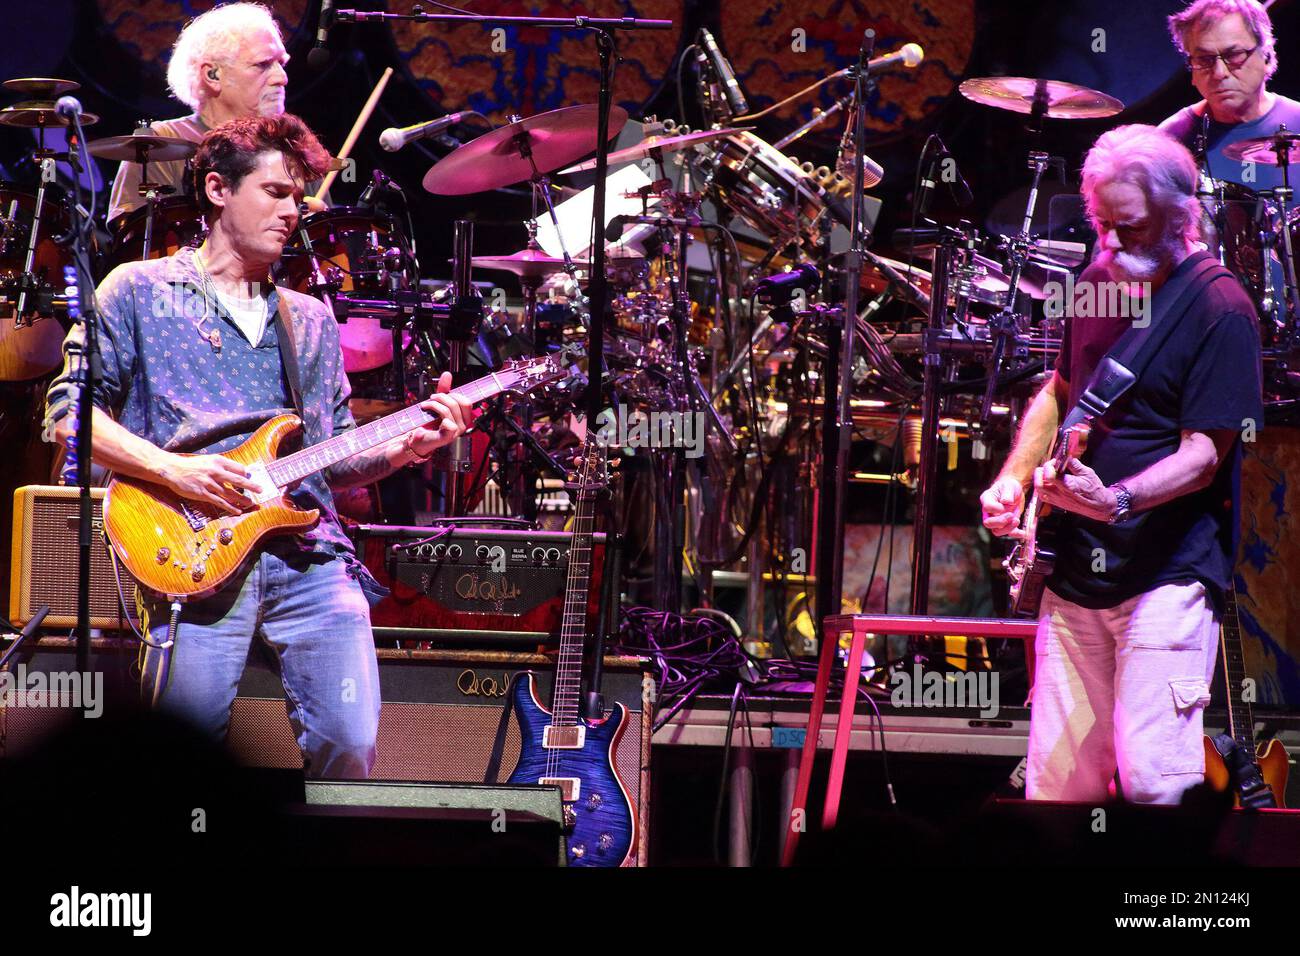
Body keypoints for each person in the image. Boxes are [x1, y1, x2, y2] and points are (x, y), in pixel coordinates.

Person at [45, 113, 474, 778]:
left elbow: (337, 457)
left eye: (299, 199)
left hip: (308, 553)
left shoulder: (308, 318)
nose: (292, 213)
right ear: (217, 190)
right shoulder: (138, 290)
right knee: (177, 763)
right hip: (189, 545)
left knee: (350, 744)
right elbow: (71, 417)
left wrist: (412, 446)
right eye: (275, 194)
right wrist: (178, 472)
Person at [979, 125, 1263, 804]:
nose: (1109, 243)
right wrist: (1014, 477)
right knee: (1056, 789)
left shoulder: (1221, 309)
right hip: (1074, 571)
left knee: (1152, 785)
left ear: (1181, 212)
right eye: (1101, 224)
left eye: (1127, 226)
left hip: (1165, 575)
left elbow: (1202, 456)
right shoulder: (1098, 280)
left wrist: (1117, 501)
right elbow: (1061, 390)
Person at [106, 1, 325, 224]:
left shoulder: (295, 147)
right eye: (263, 64)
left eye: (281, 63)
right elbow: (135, 242)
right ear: (212, 75)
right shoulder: (158, 144)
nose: (282, 77)